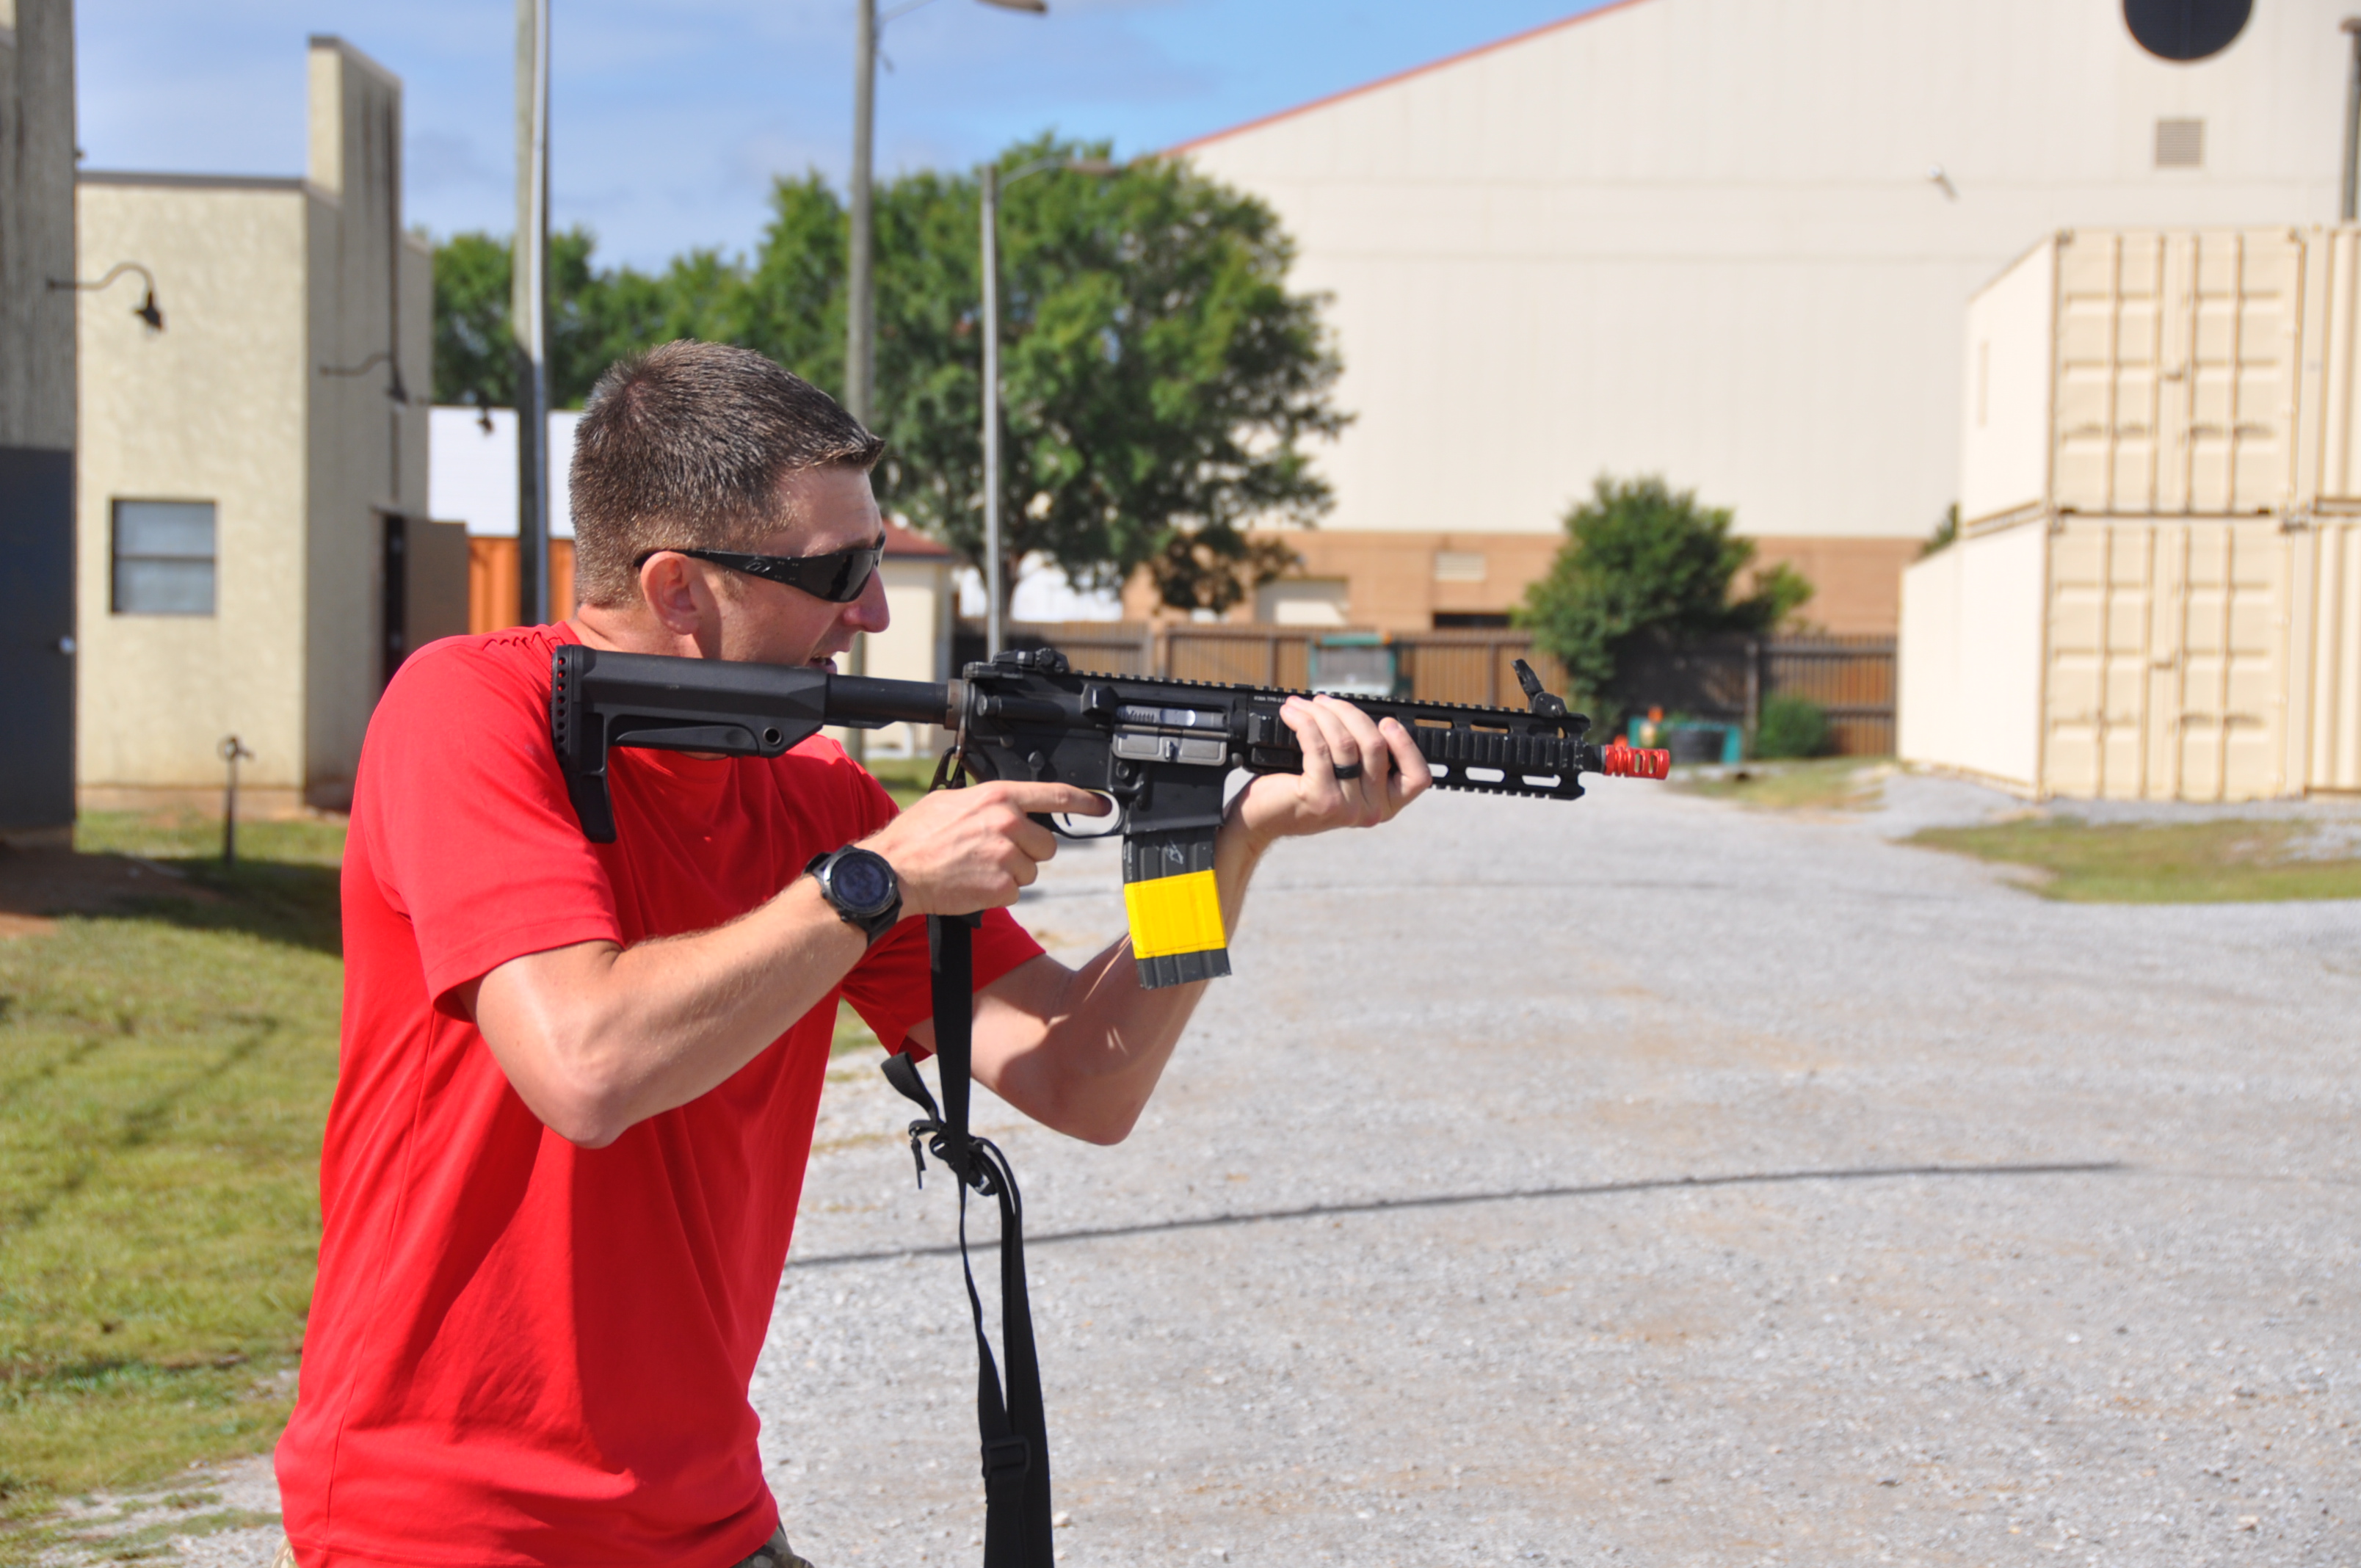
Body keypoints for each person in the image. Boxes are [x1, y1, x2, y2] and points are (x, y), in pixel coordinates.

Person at [272, 340, 1430, 1568]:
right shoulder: (465, 711)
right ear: (677, 590)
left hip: (706, 1513)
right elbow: (586, 1065)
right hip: (449, 1520)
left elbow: (1081, 1082)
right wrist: (877, 883)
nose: (874, 610)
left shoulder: (814, 791)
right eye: (842, 569)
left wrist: (1228, 843)